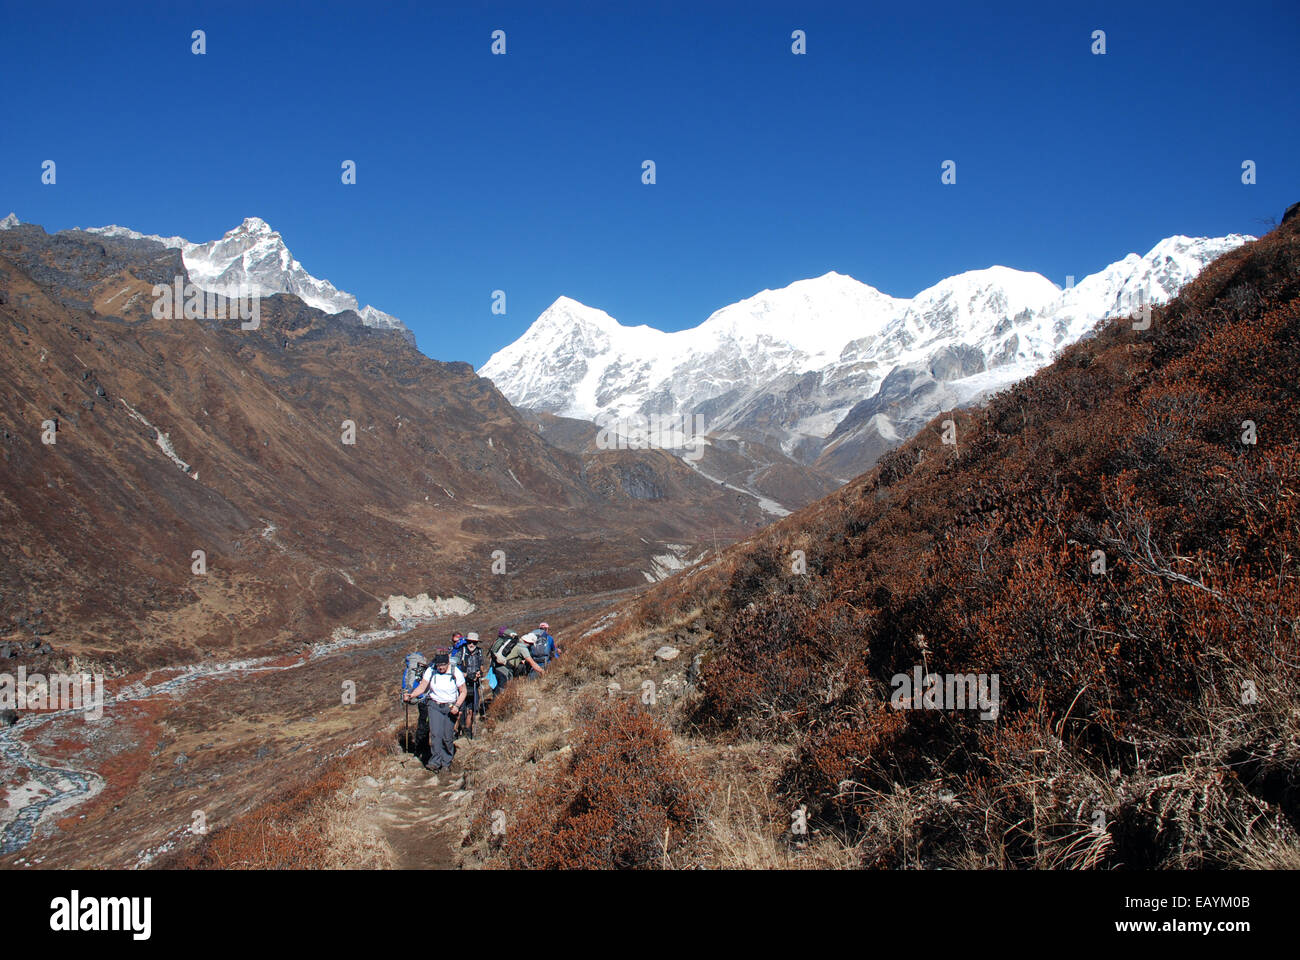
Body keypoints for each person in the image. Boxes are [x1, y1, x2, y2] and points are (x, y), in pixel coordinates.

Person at [403, 653, 465, 772]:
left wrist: (457, 706)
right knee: (436, 734)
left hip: (450, 706)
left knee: (447, 736)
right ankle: (435, 761)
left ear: (448, 663)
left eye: (443, 665)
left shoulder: (455, 671)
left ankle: (446, 761)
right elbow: (423, 687)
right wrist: (412, 695)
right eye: (438, 665)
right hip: (434, 705)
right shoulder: (431, 671)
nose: (440, 668)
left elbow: (463, 691)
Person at [452, 632, 485, 738]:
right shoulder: (461, 652)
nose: (471, 644)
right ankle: (455, 732)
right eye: (470, 642)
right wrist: (468, 675)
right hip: (462, 686)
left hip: (475, 684)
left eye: (474, 643)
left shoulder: (479, 652)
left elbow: (482, 666)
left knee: (472, 710)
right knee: (460, 711)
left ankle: (468, 732)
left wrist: (480, 673)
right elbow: (454, 668)